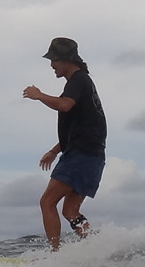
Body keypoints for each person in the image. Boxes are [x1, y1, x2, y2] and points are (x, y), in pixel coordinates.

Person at [22, 36, 106, 250]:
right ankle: (97, 247)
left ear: (66, 60)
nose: (52, 65)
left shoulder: (79, 80)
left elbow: (64, 105)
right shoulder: (82, 83)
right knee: (70, 211)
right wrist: (54, 151)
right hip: (92, 157)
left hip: (81, 156)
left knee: (47, 202)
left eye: (54, 60)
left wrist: (39, 95)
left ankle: (55, 254)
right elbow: (82, 129)